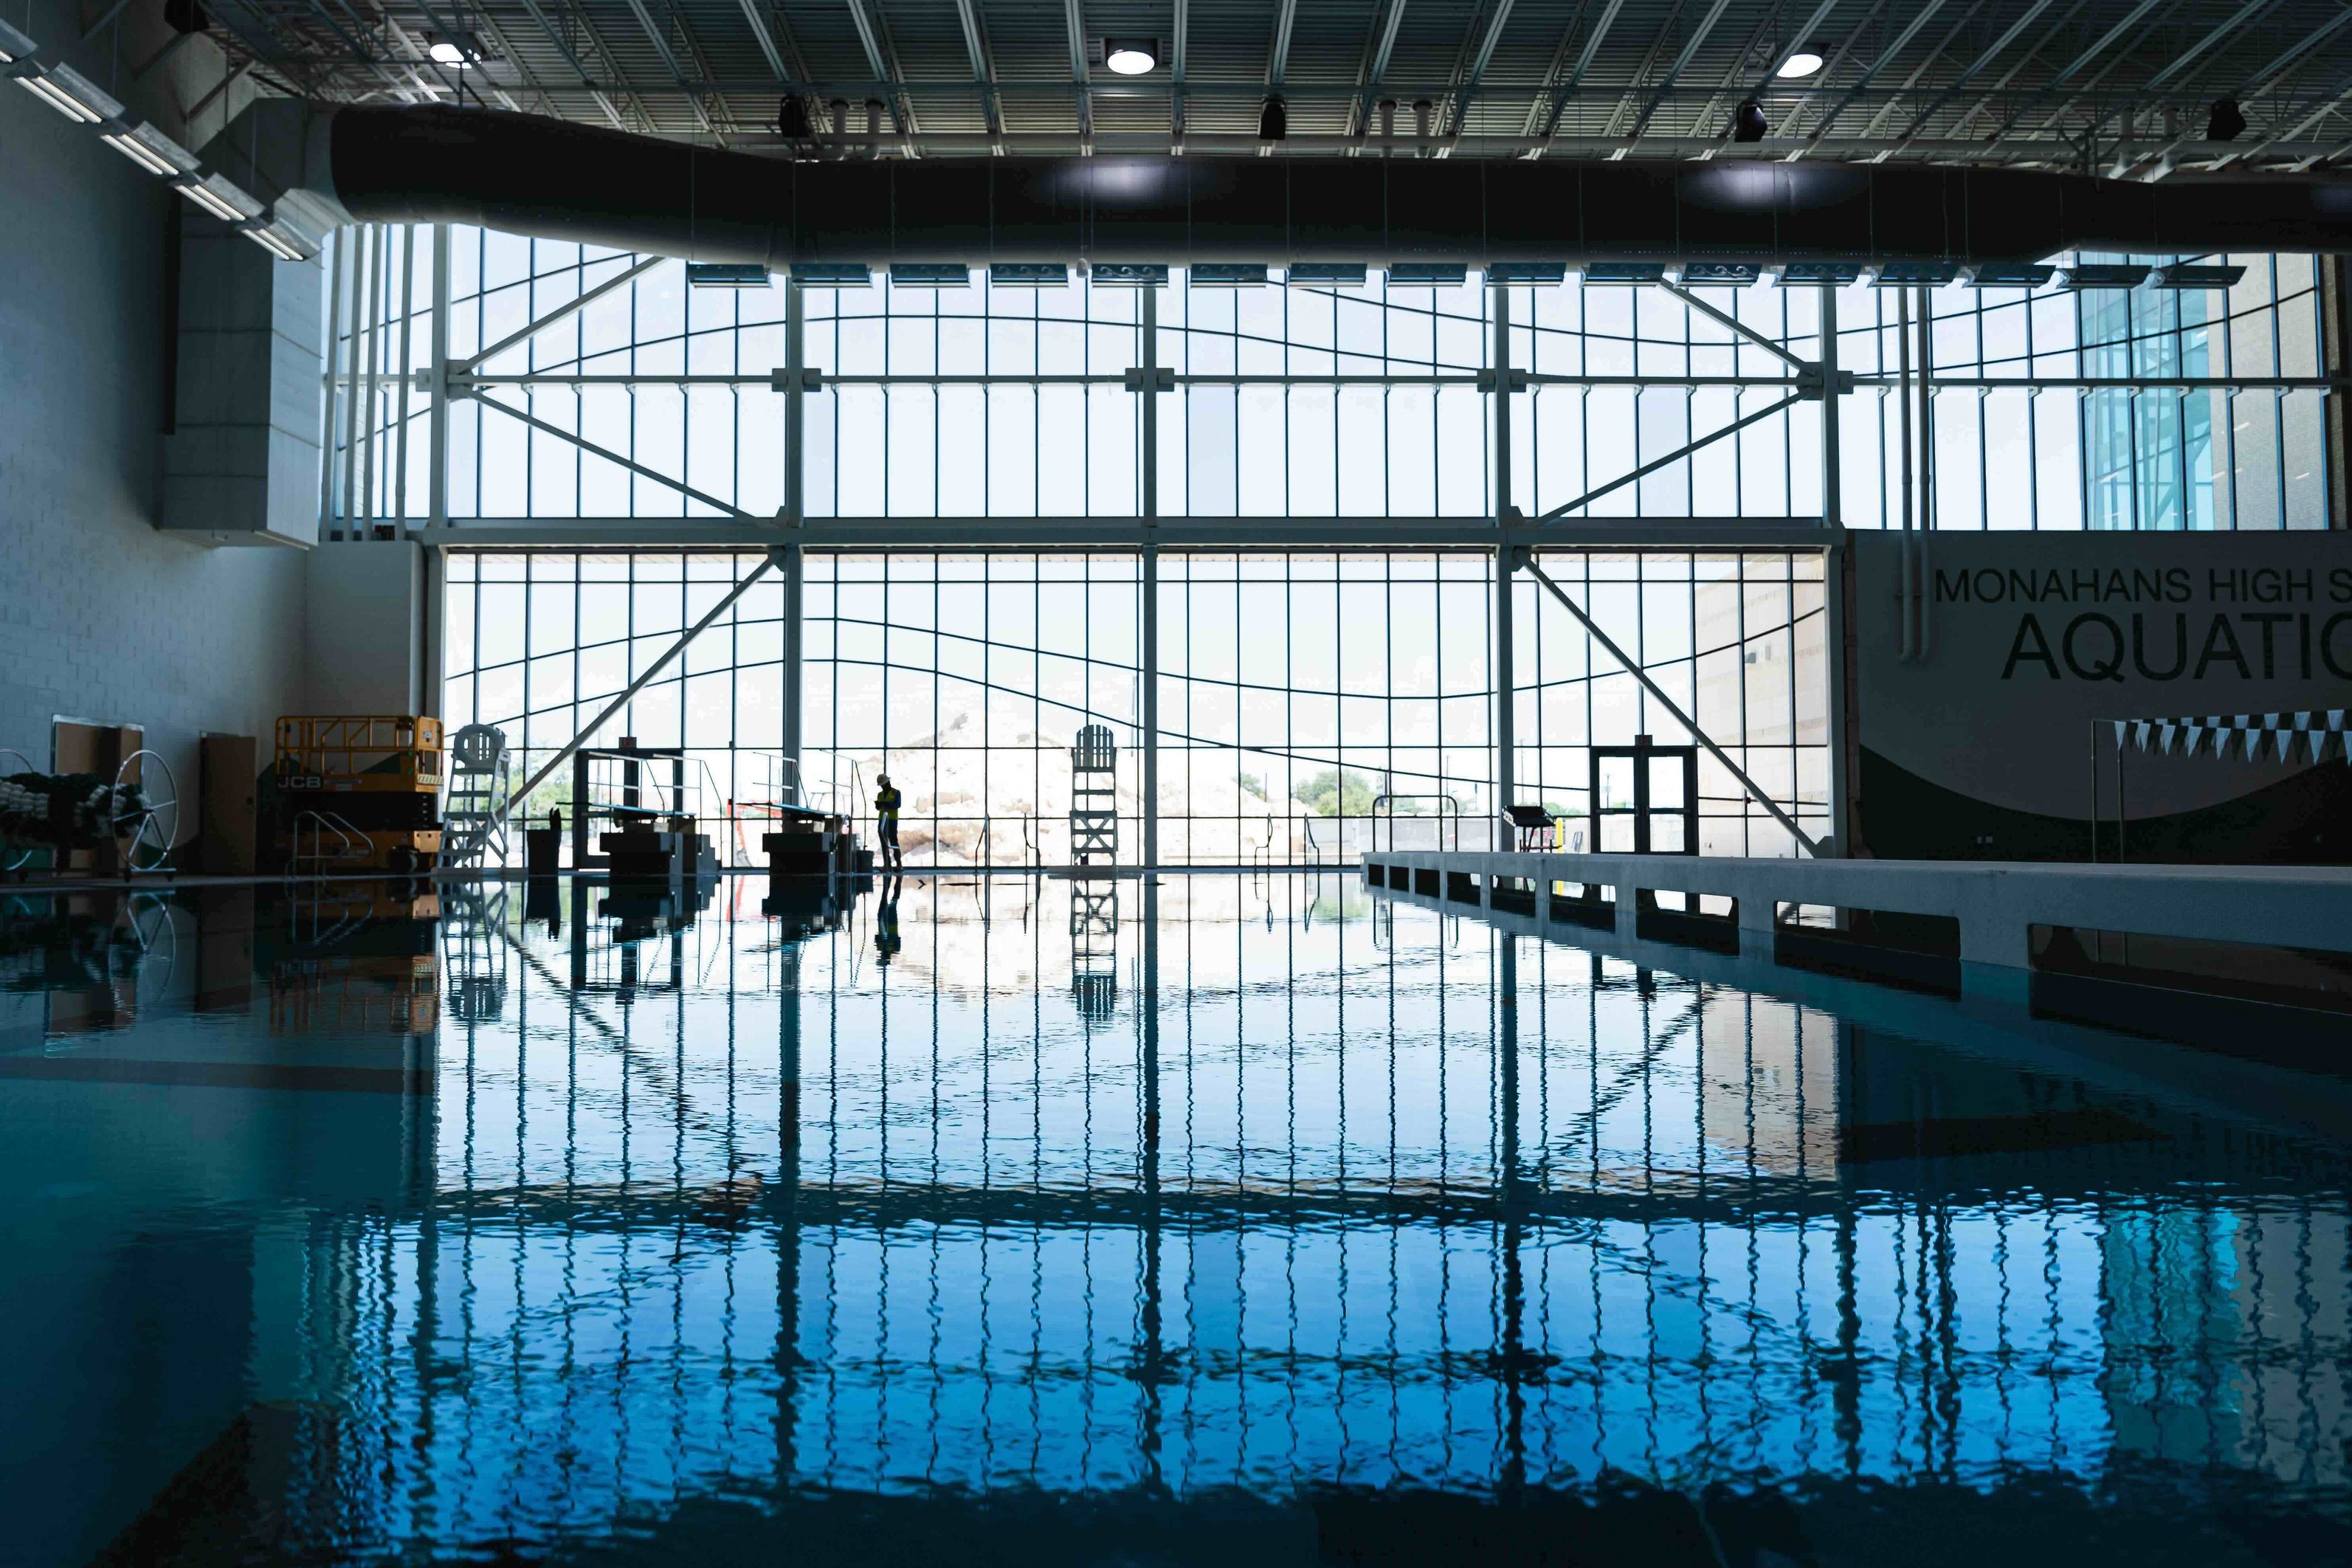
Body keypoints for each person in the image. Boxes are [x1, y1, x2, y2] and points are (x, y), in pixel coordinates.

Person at [874, 773, 903, 871]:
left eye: (884, 784)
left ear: (888, 783)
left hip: (892, 820)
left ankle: (899, 864)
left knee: (894, 841)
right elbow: (878, 808)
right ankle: (887, 865)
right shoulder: (880, 795)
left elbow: (897, 805)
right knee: (884, 843)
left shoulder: (896, 793)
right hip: (882, 821)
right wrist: (879, 805)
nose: (883, 787)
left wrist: (885, 804)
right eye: (882, 785)